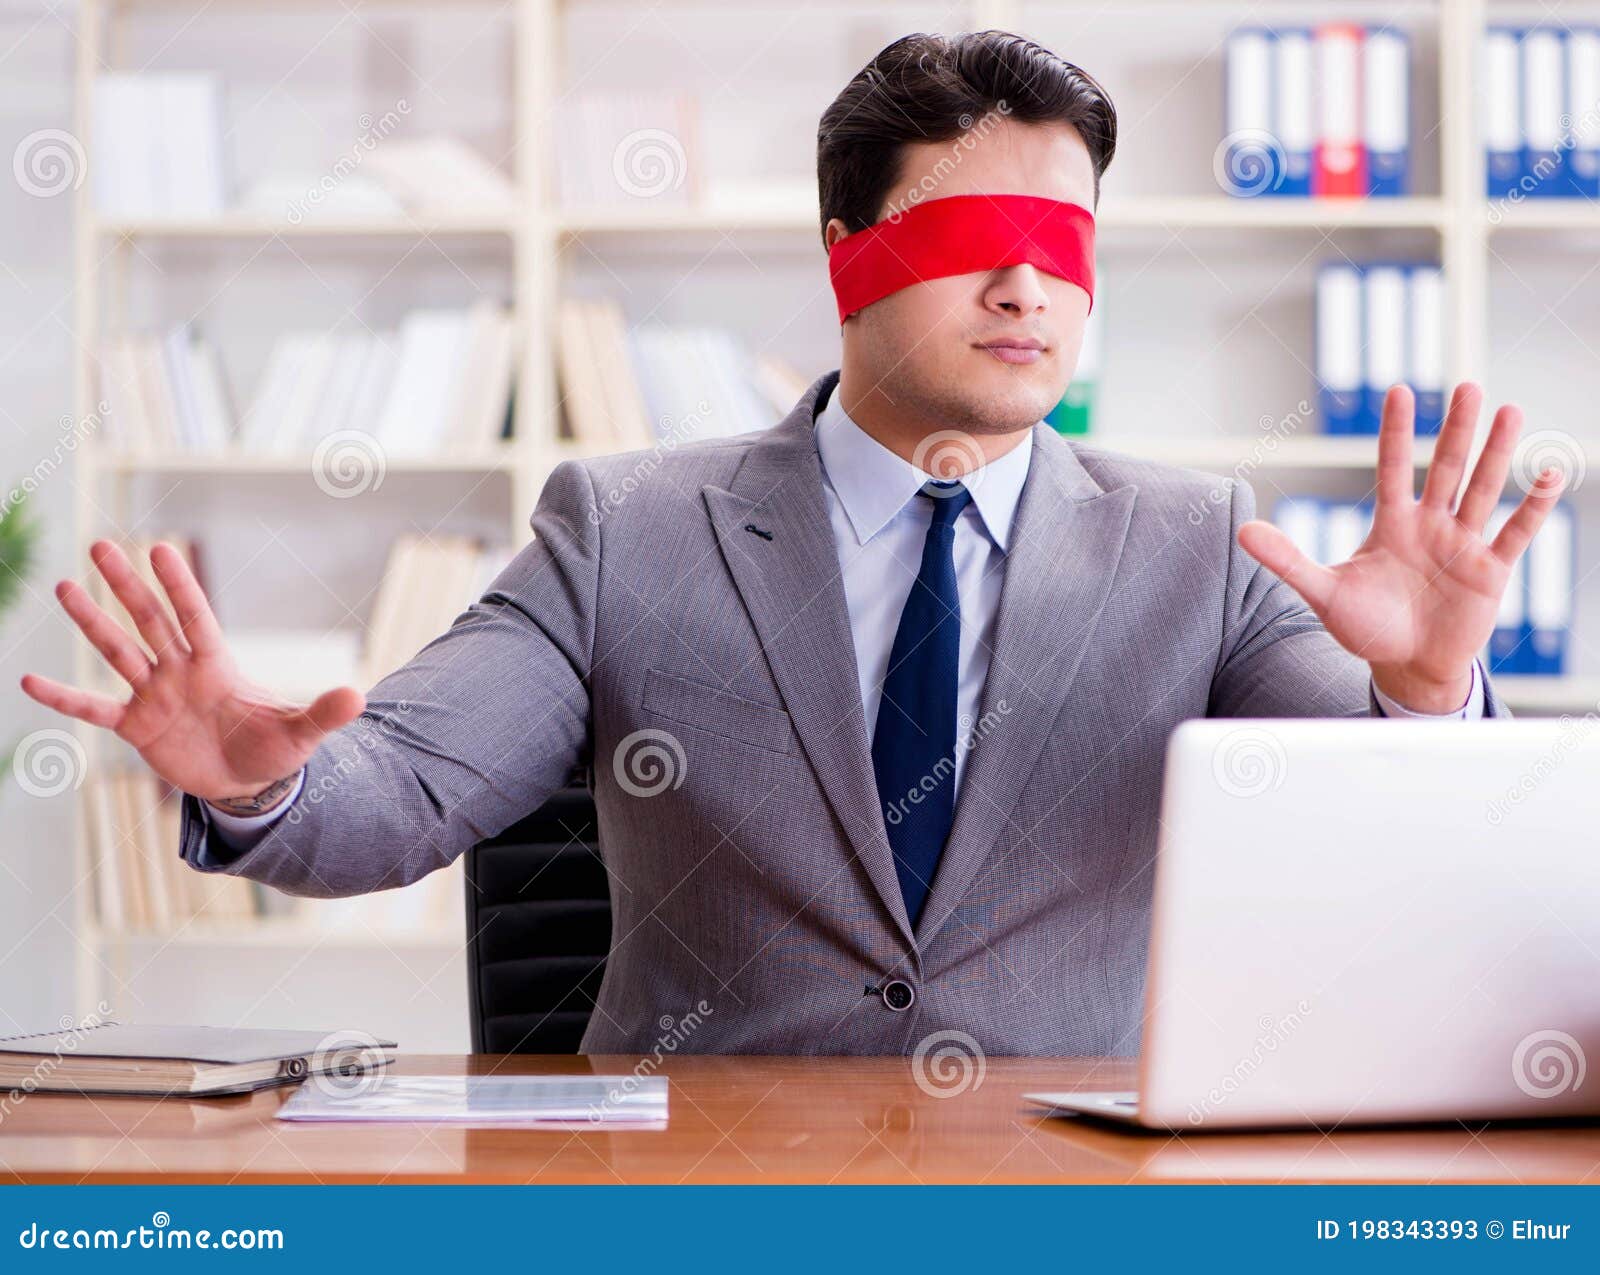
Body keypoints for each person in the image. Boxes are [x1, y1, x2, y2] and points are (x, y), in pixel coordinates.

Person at [21, 31, 1564, 1055]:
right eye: (976, 244)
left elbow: (1381, 843)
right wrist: (265, 781)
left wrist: (1428, 690)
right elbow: (407, 791)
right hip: (705, 1186)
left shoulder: (1205, 543)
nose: (1030, 291)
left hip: (1076, 1189)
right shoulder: (623, 528)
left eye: (1067, 248)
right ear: (847, 259)